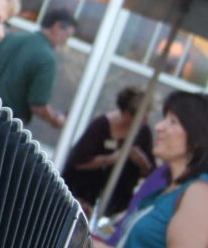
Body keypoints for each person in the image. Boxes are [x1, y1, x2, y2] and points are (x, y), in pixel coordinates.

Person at [80, 90, 208, 248]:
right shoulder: (166, 191)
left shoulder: (201, 192)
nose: (159, 127)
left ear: (198, 137)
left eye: (173, 122)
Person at [62, 86, 154, 218]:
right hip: (81, 196)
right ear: (128, 114)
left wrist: (142, 162)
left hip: (115, 205)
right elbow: (76, 162)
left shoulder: (144, 133)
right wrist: (109, 159)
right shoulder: (100, 125)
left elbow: (150, 172)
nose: (146, 120)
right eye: (142, 116)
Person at [0, 7, 76, 128]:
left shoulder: (10, 38)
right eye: (67, 36)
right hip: (4, 123)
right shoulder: (47, 59)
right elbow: (38, 105)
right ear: (57, 27)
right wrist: (55, 120)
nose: (65, 42)